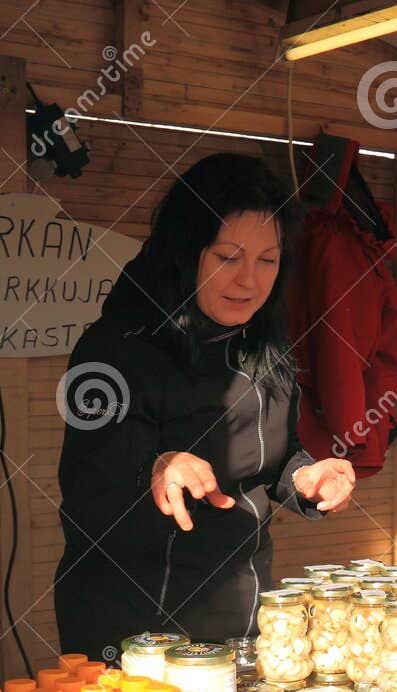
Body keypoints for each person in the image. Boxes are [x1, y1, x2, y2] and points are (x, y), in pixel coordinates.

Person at [55, 153, 356, 660]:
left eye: (268, 260)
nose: (249, 281)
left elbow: (272, 457)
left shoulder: (262, 343)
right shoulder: (114, 348)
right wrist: (155, 467)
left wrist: (305, 477)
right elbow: (91, 478)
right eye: (226, 258)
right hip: (134, 633)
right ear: (185, 250)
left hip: (241, 623)